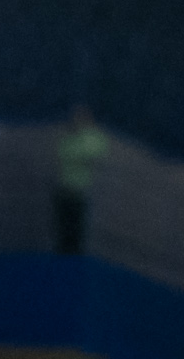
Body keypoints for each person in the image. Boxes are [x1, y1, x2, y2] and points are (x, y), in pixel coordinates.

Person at [53, 104, 111, 255]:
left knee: (76, 231)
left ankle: (73, 258)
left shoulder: (91, 137)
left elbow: (95, 150)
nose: (77, 121)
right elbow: (65, 153)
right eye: (76, 117)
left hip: (79, 192)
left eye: (81, 118)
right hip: (64, 189)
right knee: (62, 230)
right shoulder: (69, 138)